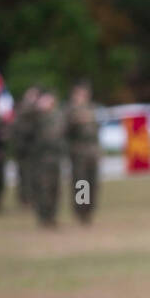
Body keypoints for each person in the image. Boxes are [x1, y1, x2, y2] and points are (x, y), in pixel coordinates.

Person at [66, 83, 100, 224]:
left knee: (92, 183)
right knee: (82, 183)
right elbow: (66, 131)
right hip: (79, 153)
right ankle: (81, 211)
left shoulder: (92, 109)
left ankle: (89, 210)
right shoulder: (70, 111)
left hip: (91, 152)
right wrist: (76, 118)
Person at [32, 92, 64, 228]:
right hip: (41, 159)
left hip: (56, 159)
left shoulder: (57, 116)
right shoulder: (36, 117)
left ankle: (52, 216)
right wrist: (36, 105)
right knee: (43, 188)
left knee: (55, 189)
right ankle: (44, 217)